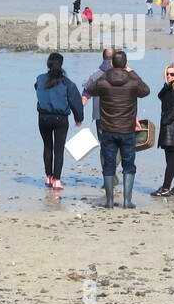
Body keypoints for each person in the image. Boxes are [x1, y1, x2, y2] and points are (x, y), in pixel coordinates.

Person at [85, 51, 149, 209]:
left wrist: (106, 73)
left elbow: (90, 89)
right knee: (129, 165)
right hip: (127, 130)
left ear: (111, 63)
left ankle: (109, 201)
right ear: (125, 64)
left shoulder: (104, 80)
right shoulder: (133, 81)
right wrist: (132, 71)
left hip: (108, 129)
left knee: (109, 165)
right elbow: (146, 90)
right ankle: (127, 201)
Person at [35, 52, 84, 191]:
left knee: (47, 147)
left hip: (43, 117)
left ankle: (48, 177)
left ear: (48, 64)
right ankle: (57, 180)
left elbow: (37, 88)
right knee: (58, 149)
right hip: (60, 119)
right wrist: (79, 118)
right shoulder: (67, 83)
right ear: (61, 64)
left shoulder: (40, 78)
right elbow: (76, 102)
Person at [152, 63, 174, 196]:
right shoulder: (170, 87)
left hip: (173, 128)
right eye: (167, 74)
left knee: (171, 160)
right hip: (171, 127)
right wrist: (167, 84)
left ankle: (166, 188)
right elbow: (159, 96)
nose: (169, 76)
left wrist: (165, 123)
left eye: (172, 74)